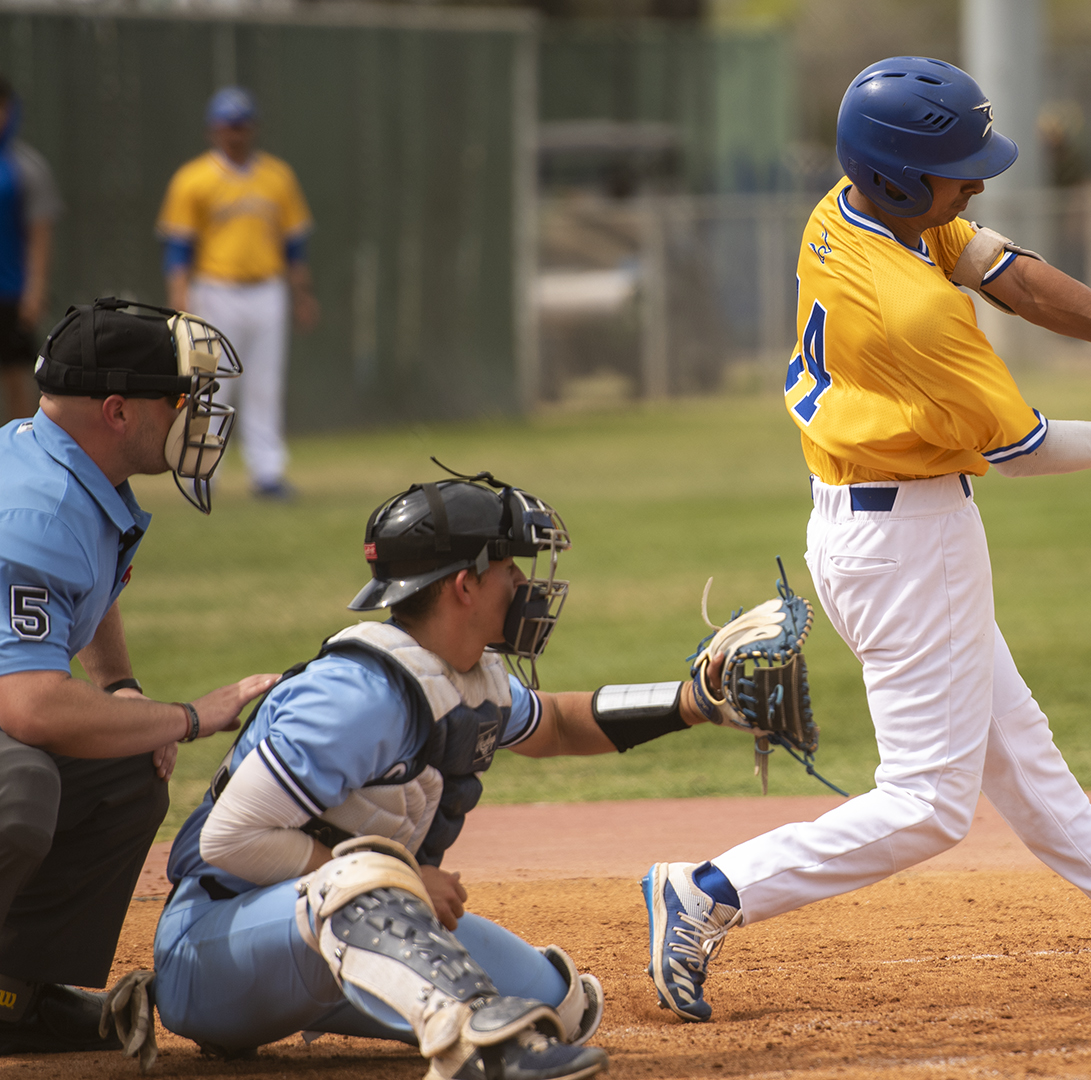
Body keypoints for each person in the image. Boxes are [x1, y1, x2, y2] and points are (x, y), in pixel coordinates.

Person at [638, 56, 1091, 1026]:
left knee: (1017, 747)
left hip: (876, 526)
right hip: (909, 547)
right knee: (929, 805)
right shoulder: (913, 311)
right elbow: (1022, 450)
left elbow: (1007, 270)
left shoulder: (854, 207)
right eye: (961, 168)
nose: (980, 180)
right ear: (902, 177)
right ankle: (709, 891)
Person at [131, 471, 775, 1078]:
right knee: (369, 881)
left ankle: (436, 997)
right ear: (464, 584)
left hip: (318, 948)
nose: (524, 583)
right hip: (214, 949)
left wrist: (692, 703)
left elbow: (555, 725)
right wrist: (406, 877)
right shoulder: (353, 696)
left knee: (557, 1007)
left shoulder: (464, 677)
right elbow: (227, 841)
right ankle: (473, 1050)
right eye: (507, 566)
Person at [0, 298, 279, 1055]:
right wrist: (191, 715)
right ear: (119, 411)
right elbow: (29, 708)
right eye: (178, 395)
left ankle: (14, 996)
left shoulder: (60, 465)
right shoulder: (37, 506)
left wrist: (124, 693)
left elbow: (84, 597)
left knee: (123, 769)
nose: (194, 411)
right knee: (19, 785)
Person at [157, 86, 317, 501]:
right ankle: (199, 472)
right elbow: (179, 246)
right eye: (228, 126)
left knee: (265, 383)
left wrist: (302, 294)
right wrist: (180, 294)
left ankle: (268, 471)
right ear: (214, 130)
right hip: (215, 289)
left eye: (242, 126)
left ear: (253, 129)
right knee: (209, 382)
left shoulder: (276, 177)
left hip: (267, 288)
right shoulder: (193, 178)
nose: (235, 134)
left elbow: (293, 245)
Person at [0, 76, 61, 423]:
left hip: (10, 293)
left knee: (17, 378)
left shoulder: (25, 167)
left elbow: (40, 233)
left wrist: (35, 291)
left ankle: (17, 453)